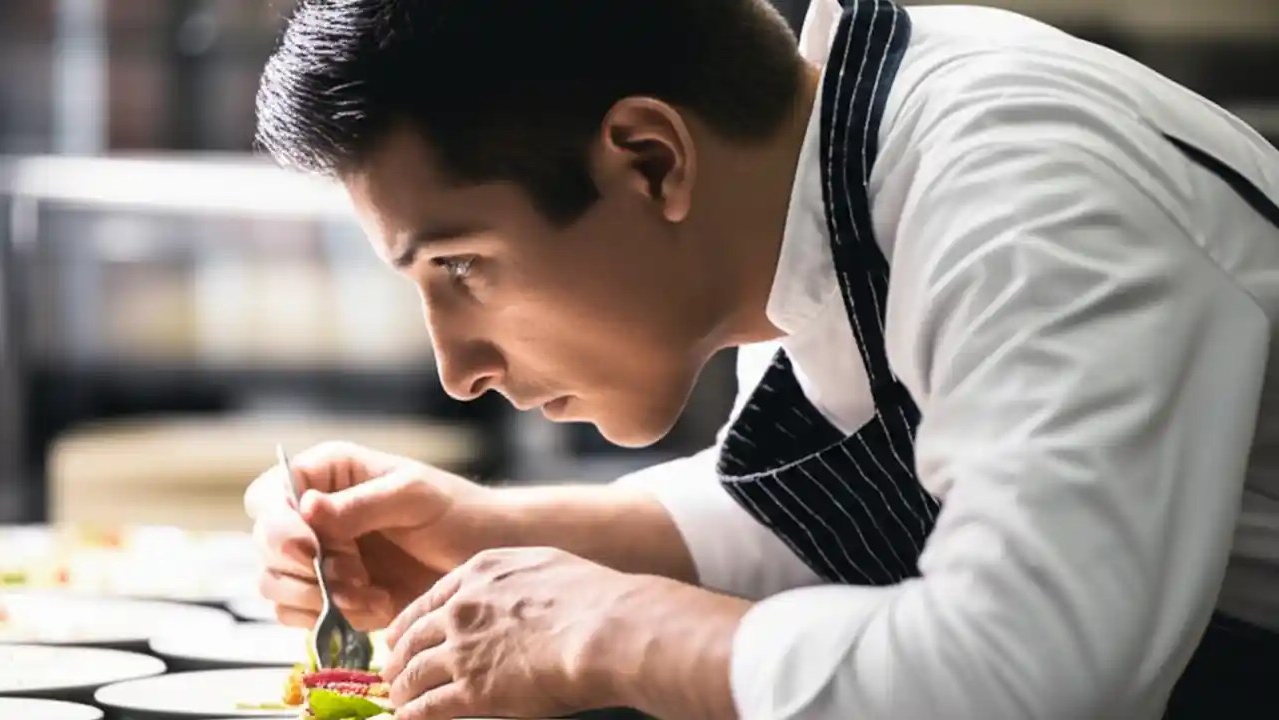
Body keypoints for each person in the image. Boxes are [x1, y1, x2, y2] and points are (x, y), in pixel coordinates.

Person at [243, 0, 1279, 718]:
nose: (457, 368)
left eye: (463, 266)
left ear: (650, 160)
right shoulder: (823, 176)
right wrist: (492, 537)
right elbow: (825, 521)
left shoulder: (1021, 198)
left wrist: (608, 628)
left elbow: (1028, 675)